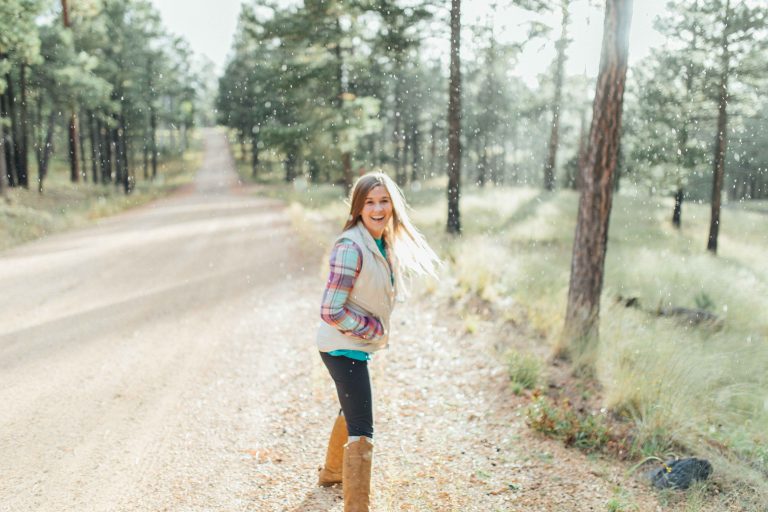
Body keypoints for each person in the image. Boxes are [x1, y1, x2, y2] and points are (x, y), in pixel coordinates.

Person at [316, 172, 439, 511]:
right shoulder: (350, 247)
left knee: (350, 405)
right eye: (369, 202)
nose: (378, 208)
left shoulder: (381, 241)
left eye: (384, 200)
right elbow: (330, 310)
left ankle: (330, 473)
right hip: (341, 347)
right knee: (362, 430)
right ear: (358, 207)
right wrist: (370, 329)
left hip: (352, 344)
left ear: (393, 205)